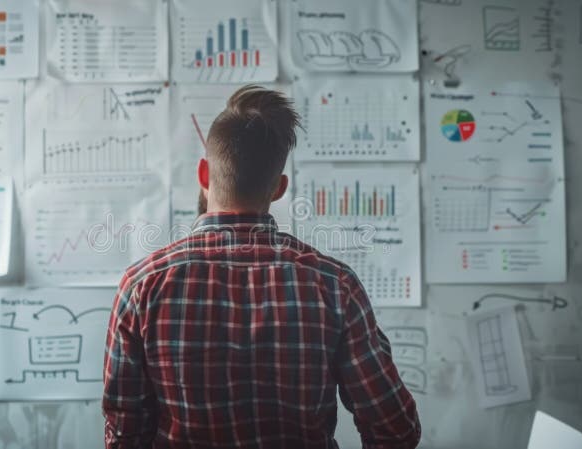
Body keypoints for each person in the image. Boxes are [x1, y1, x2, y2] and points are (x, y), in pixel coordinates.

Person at [103, 85, 420, 448]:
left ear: (204, 175)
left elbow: (124, 437)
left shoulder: (142, 285)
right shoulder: (334, 285)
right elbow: (395, 428)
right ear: (280, 188)